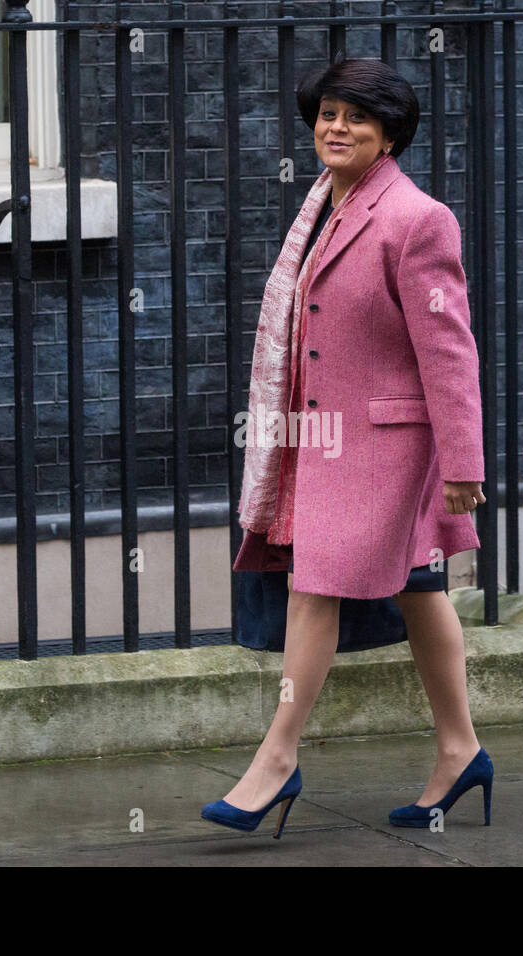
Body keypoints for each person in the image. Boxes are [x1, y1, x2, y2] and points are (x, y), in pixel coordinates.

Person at [201, 57, 492, 839]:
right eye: (328, 113)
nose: (336, 127)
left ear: (389, 134)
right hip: (320, 437)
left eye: (356, 117)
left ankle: (277, 758)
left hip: (387, 447)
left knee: (313, 583)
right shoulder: (323, 206)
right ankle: (461, 750)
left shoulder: (416, 218)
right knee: (420, 586)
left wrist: (464, 466)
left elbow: (450, 350)